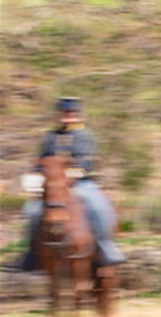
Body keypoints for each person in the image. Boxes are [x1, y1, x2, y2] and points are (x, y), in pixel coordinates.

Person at [22, 97, 126, 269]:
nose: (68, 116)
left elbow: (87, 161)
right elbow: (41, 161)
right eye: (65, 112)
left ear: (77, 114)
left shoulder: (85, 135)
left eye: (71, 113)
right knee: (31, 210)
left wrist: (71, 175)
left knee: (98, 206)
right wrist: (36, 174)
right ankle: (31, 252)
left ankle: (106, 246)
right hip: (54, 185)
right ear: (59, 114)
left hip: (80, 182)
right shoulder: (50, 136)